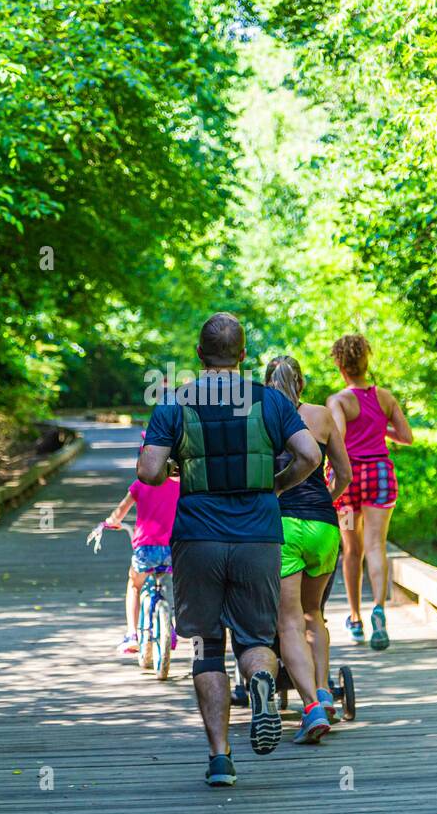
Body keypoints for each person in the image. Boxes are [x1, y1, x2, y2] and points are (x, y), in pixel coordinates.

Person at [137, 312, 321, 787]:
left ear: (199, 355)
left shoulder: (173, 403)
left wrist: (174, 467)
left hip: (197, 536)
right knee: (257, 639)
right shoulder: (273, 403)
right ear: (243, 355)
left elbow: (149, 472)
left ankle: (220, 758)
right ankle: (260, 680)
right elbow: (311, 456)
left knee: (206, 646)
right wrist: (276, 486)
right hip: (259, 535)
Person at [265, 355, 351, 742]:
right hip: (324, 526)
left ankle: (311, 710)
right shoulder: (321, 415)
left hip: (282, 525)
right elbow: (345, 474)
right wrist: (325, 502)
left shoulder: (259, 418)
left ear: (268, 385)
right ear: (300, 384)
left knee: (289, 621)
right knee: (315, 613)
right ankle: (325, 692)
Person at [326, 334, 413, 651]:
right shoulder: (385, 397)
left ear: (340, 365)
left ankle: (355, 619)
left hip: (348, 482)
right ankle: (378, 609)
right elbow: (406, 436)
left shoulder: (338, 401)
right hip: (379, 475)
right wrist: (380, 427)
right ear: (366, 361)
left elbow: (337, 437)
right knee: (376, 545)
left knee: (352, 549)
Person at [100, 433, 180, 656]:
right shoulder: (179, 485)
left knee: (134, 585)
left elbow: (120, 512)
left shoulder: (139, 486)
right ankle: (172, 624)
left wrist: (111, 522)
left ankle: (132, 634)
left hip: (146, 549)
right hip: (173, 549)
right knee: (175, 584)